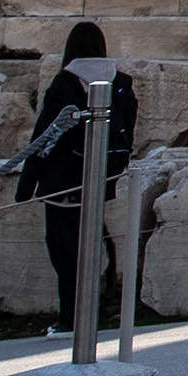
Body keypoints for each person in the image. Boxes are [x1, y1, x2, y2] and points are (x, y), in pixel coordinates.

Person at [21, 21, 141, 332]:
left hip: (62, 182)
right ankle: (95, 310)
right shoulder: (122, 83)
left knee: (64, 251)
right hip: (101, 179)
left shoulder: (65, 84)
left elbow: (45, 136)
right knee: (93, 244)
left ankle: (70, 318)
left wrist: (27, 184)